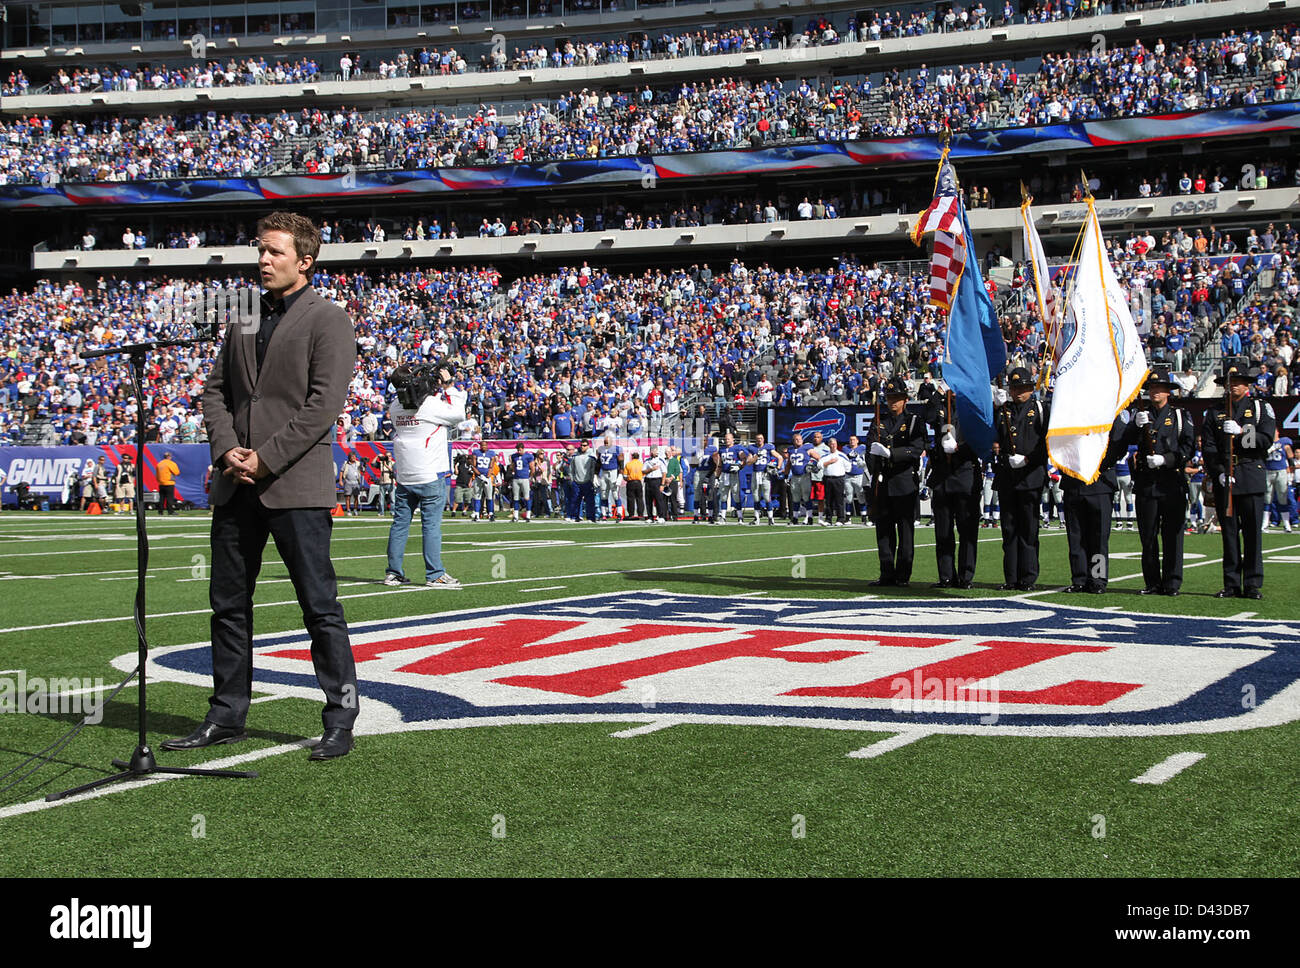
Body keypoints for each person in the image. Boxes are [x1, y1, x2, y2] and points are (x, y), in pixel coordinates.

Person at [164, 211, 359, 761]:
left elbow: (322, 407)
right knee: (227, 605)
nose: (264, 259)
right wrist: (228, 451)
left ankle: (340, 718)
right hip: (235, 483)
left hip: (294, 484)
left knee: (319, 606)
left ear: (305, 260)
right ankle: (226, 714)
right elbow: (215, 393)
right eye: (260, 249)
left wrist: (265, 459)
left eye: (275, 251)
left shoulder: (329, 319)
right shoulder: (244, 316)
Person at [384, 361, 466, 588]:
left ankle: (393, 572)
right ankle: (435, 574)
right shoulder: (429, 405)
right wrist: (448, 385)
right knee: (430, 525)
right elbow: (458, 414)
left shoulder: (395, 406)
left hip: (405, 474)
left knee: (400, 524)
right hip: (430, 472)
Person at [1203, 359, 1277, 599]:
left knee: (1253, 534)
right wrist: (1219, 472)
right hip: (1227, 477)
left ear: (1247, 385)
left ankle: (1253, 584)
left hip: (1250, 474)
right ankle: (1232, 583)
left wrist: (1244, 432)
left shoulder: (1259, 408)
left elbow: (1266, 440)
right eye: (1230, 382)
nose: (1233, 386)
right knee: (1230, 534)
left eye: (1238, 382)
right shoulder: (1215, 411)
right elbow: (1209, 447)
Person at [1122, 368, 1196, 595]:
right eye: (1152, 388)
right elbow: (1125, 441)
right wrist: (1135, 424)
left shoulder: (1180, 416)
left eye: (1159, 388)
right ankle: (1152, 582)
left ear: (1168, 392)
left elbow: (1188, 447)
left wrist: (1166, 459)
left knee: (1172, 535)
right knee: (1148, 536)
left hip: (1171, 481)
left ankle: (1172, 582)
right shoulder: (1141, 413)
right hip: (1146, 483)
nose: (1154, 392)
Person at [993, 367, 1049, 591]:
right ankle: (1011, 577)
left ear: (1030, 388)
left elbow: (1046, 444)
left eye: (1023, 388)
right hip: (1008, 477)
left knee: (1028, 530)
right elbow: (994, 438)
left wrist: (1027, 460)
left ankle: (1028, 577)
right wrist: (995, 407)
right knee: (1009, 530)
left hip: (1030, 477)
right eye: (1015, 388)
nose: (1018, 392)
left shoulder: (1039, 409)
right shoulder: (1004, 411)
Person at [867, 377, 926, 585]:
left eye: (897, 398)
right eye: (890, 398)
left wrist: (892, 454)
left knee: (905, 531)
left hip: (903, 482)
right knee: (883, 531)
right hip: (883, 482)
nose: (893, 402)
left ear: (905, 400)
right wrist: (875, 464)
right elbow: (870, 451)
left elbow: (916, 449)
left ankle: (902, 575)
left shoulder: (913, 422)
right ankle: (886, 573)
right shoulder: (878, 422)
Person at [1061, 414, 1128, 594]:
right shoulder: (1069, 412)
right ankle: (1079, 579)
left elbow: (1119, 444)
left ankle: (1097, 579)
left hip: (1100, 481)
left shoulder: (1108, 413)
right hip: (1074, 480)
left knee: (1098, 538)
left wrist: (1097, 464)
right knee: (1076, 537)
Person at [926, 394, 981, 588]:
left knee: (967, 531)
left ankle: (966, 576)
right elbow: (928, 416)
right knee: (942, 532)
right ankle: (946, 576)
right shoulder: (942, 406)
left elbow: (980, 442)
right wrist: (938, 392)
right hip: (942, 477)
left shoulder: (973, 410)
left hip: (965, 476)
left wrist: (959, 448)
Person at [818, 436, 851, 526]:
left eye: (834, 444)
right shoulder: (825, 456)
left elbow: (848, 467)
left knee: (839, 500)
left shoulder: (841, 455)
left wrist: (841, 471)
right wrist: (830, 462)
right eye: (831, 444)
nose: (833, 446)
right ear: (829, 445)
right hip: (828, 479)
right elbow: (819, 465)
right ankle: (828, 519)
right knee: (828, 500)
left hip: (838, 479)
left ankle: (840, 519)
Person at [750, 433, 782, 525]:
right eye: (758, 438)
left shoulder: (769, 447)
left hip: (765, 474)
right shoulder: (752, 448)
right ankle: (756, 518)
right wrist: (756, 456)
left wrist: (778, 467)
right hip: (755, 473)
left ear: (763, 439)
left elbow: (779, 457)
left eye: (761, 438)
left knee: (767, 497)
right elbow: (749, 462)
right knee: (756, 497)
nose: (759, 440)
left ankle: (770, 518)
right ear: (755, 440)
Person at [594, 431, 623, 521]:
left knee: (615, 494)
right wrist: (595, 474)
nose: (606, 443)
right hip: (603, 472)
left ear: (612, 441)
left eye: (607, 442)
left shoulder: (617, 449)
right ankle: (604, 514)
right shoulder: (600, 449)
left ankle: (619, 514)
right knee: (603, 494)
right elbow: (598, 463)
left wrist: (620, 475)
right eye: (605, 442)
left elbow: (621, 463)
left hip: (613, 472)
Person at [508, 441, 534, 522]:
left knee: (527, 497)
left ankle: (528, 515)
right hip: (516, 478)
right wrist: (511, 466)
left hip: (525, 478)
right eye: (518, 450)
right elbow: (512, 467)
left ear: (523, 449)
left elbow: (532, 468)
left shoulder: (528, 456)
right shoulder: (514, 456)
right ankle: (516, 516)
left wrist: (530, 477)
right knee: (516, 498)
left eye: (520, 450)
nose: (519, 452)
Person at [370, 451, 395, 516]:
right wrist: (377, 456)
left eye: (389, 456)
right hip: (382, 483)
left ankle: (392, 511)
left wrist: (386, 465)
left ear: (391, 457)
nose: (388, 457)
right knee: (381, 499)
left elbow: (393, 471)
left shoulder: (393, 463)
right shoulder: (381, 463)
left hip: (390, 482)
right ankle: (381, 512)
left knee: (392, 499)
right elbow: (372, 464)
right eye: (387, 456)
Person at [156, 450, 180, 514]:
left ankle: (160, 511)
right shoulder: (171, 463)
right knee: (169, 498)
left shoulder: (159, 463)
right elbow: (177, 472)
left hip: (161, 483)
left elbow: (157, 474)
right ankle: (170, 511)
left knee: (162, 498)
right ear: (169, 457)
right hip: (169, 482)